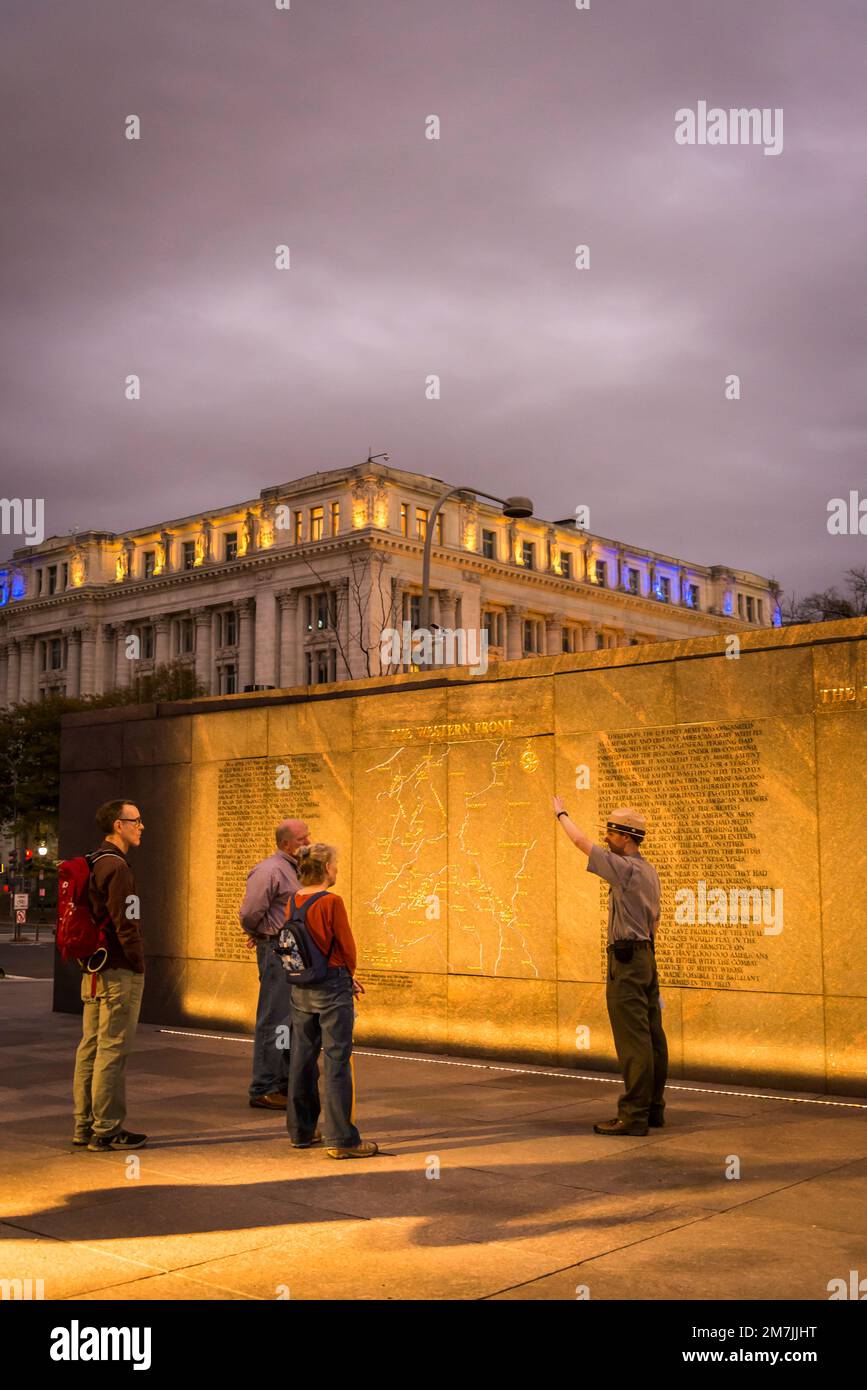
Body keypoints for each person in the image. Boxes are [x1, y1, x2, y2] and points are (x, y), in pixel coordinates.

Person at [553, 797, 668, 1136]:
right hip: (646, 956)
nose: (606, 838)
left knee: (633, 1042)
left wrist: (561, 813)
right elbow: (656, 921)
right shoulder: (649, 871)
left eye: (612, 833)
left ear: (627, 837)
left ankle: (633, 1116)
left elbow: (579, 842)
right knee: (652, 1037)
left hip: (627, 961)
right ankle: (653, 1110)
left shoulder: (625, 867)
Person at [285, 843, 378, 1159]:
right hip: (332, 987)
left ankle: (301, 1131)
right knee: (337, 1060)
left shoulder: (293, 901)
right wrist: (348, 975)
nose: (337, 870)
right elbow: (346, 945)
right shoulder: (331, 902)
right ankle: (341, 1139)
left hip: (301, 988)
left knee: (302, 1058)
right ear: (325, 869)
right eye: (335, 865)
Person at [72, 799, 147, 1151]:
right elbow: (126, 922)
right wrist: (138, 961)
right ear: (118, 825)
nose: (141, 826)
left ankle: (83, 1125)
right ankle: (107, 1128)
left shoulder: (93, 861)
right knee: (113, 1048)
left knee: (90, 1046)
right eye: (136, 820)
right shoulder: (118, 868)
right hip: (118, 969)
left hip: (94, 969)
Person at [239, 819, 310, 1109]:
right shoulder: (270, 870)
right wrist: (260, 932)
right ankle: (263, 1086)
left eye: (308, 837)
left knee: (290, 1017)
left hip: (290, 947)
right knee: (274, 1016)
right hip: (278, 946)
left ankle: (282, 1081)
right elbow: (250, 912)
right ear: (285, 845)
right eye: (302, 839)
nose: (308, 842)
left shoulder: (294, 869)